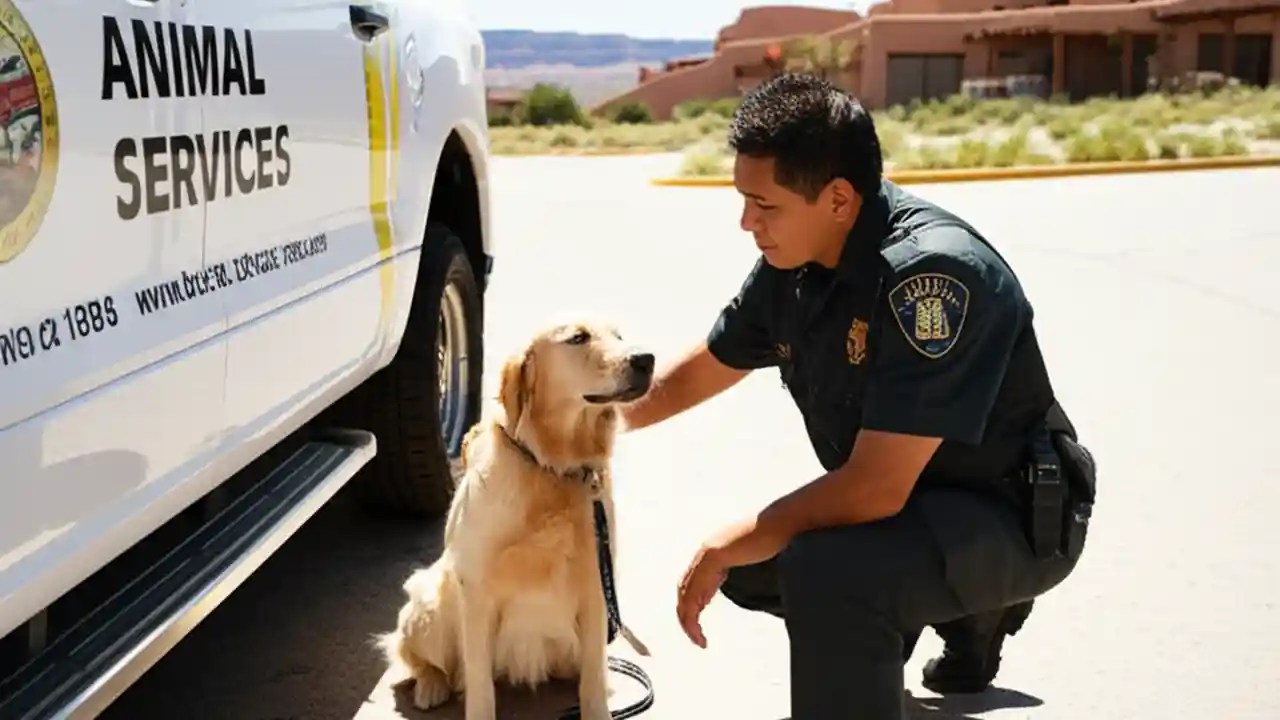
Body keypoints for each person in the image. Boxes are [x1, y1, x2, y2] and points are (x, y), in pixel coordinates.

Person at [620, 73, 1094, 719]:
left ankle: (974, 602)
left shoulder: (931, 278)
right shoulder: (797, 257)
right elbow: (707, 366)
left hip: (1010, 513)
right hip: (920, 498)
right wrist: (583, 424)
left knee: (824, 569)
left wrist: (729, 542)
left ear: (838, 199)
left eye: (764, 205)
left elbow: (875, 489)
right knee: (765, 564)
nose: (746, 222)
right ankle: (957, 614)